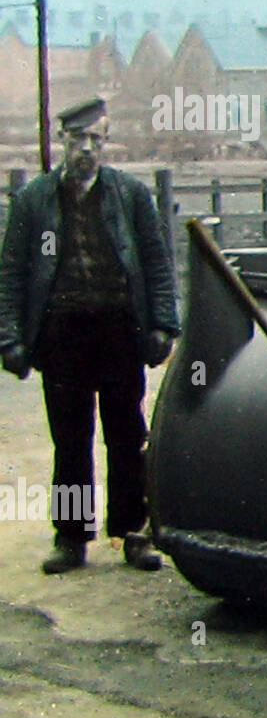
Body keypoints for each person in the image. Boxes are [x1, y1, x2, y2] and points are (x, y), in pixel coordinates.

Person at [0, 98, 178, 574]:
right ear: (62, 141)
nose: (86, 149)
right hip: (62, 335)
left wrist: (163, 324)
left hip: (119, 330)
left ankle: (134, 532)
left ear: (105, 142)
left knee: (126, 435)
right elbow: (12, 272)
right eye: (77, 139)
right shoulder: (33, 200)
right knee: (71, 440)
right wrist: (10, 337)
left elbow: (158, 262)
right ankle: (71, 538)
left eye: (95, 140)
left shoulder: (131, 195)